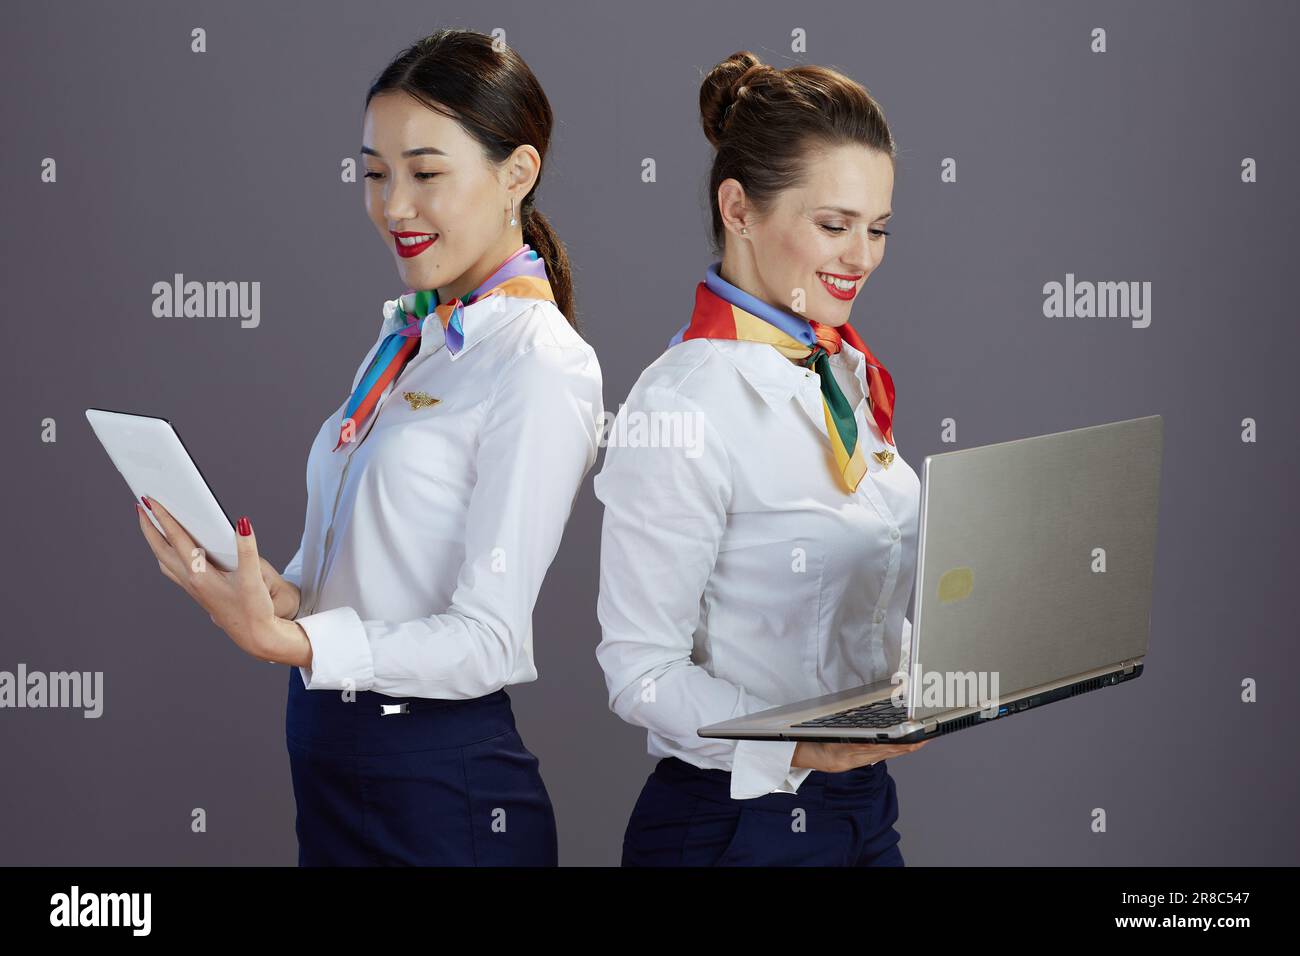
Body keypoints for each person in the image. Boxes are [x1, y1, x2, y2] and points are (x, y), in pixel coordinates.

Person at [136, 29, 602, 866]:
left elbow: (490, 639)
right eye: (375, 174)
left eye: (425, 174)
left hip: (438, 789)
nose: (393, 207)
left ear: (516, 175)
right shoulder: (406, 338)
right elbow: (362, 582)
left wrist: (297, 644)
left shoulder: (538, 361)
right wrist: (280, 598)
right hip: (329, 759)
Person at [594, 51, 927, 867]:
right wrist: (803, 746)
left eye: (877, 229)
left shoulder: (838, 366)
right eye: (833, 224)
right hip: (736, 825)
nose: (861, 257)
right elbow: (638, 671)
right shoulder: (682, 402)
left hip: (862, 806)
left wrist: (933, 675)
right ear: (738, 208)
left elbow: (861, 596)